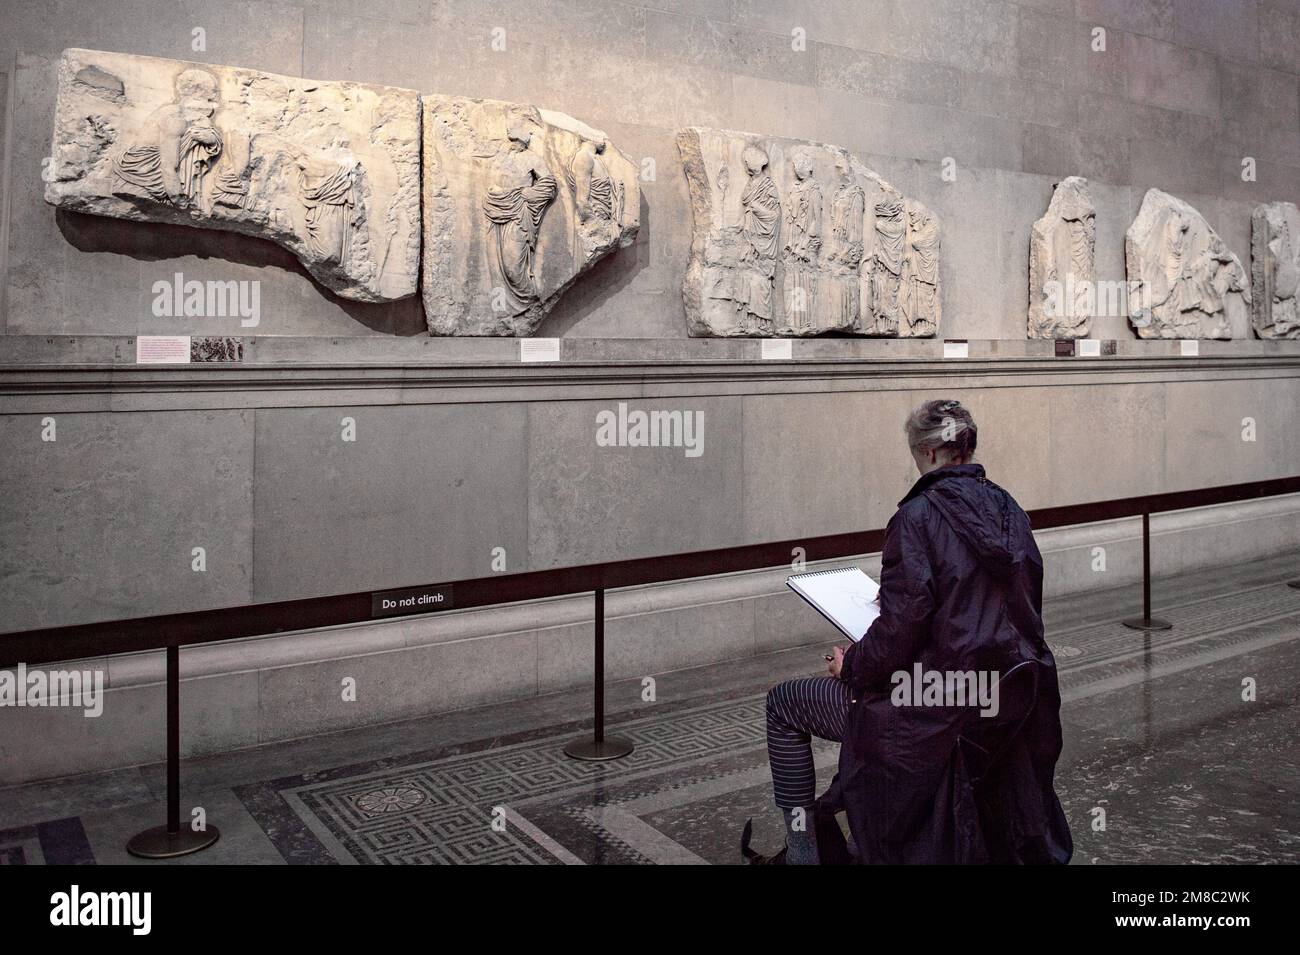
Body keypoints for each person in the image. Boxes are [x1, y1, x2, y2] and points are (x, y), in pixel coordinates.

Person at [755, 399, 1072, 864]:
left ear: (927, 453)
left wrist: (852, 665)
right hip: (1008, 702)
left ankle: (805, 856)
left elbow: (901, 633)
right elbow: (1005, 608)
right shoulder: (1010, 510)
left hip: (931, 712)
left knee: (783, 703)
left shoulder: (917, 517)